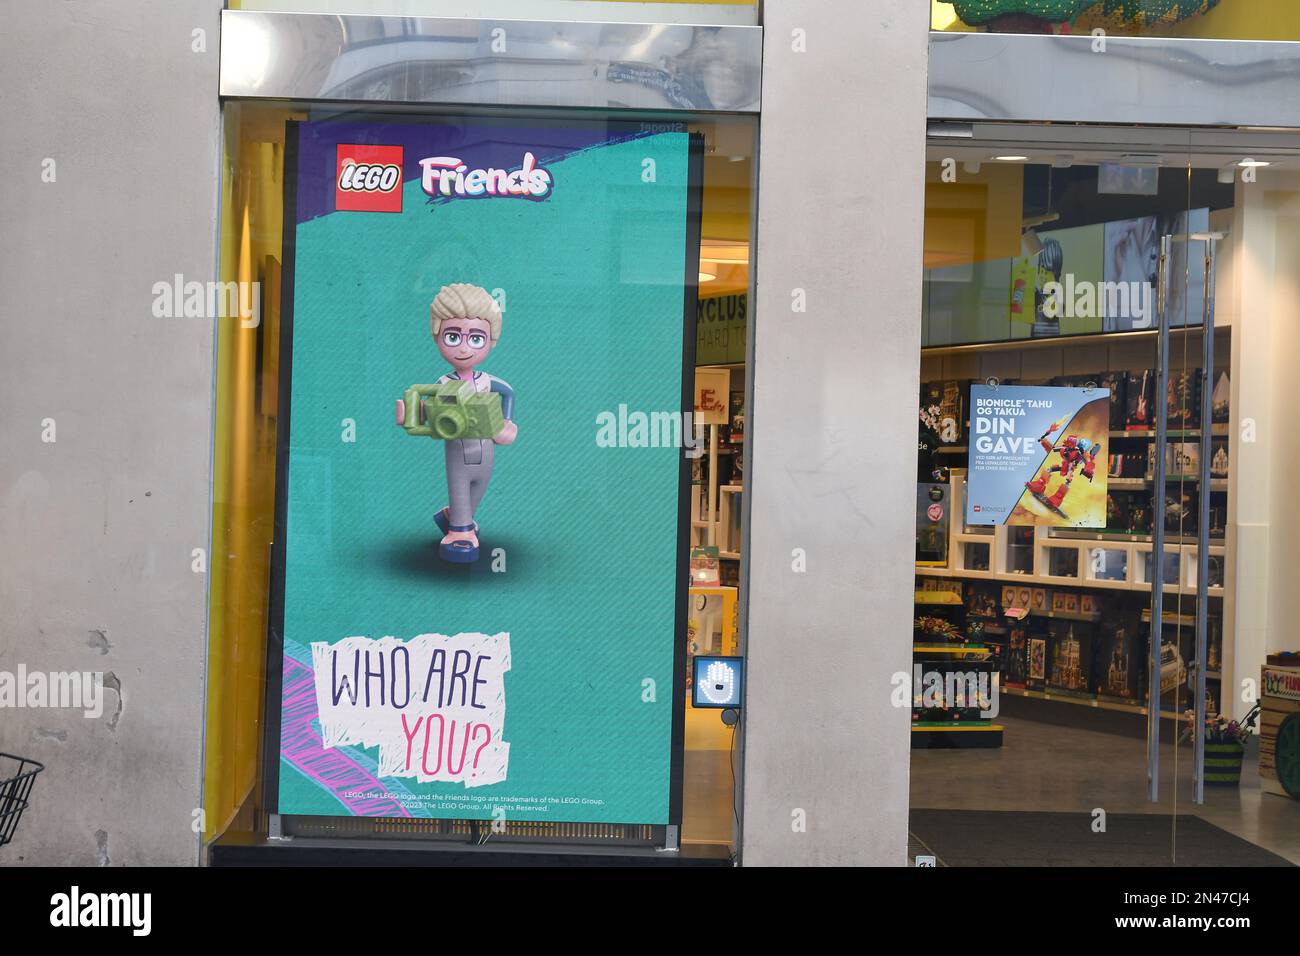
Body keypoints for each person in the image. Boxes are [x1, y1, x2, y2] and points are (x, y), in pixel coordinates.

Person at [397, 283, 516, 562]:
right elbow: (431, 410)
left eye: (475, 339)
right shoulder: (443, 384)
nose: (464, 348)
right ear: (437, 336)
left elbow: (509, 393)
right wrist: (412, 413)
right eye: (453, 337)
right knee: (461, 487)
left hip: (487, 446)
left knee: (479, 488)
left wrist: (507, 422)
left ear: (490, 340)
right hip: (457, 449)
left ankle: (453, 518)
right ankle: (459, 533)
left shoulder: (486, 381)